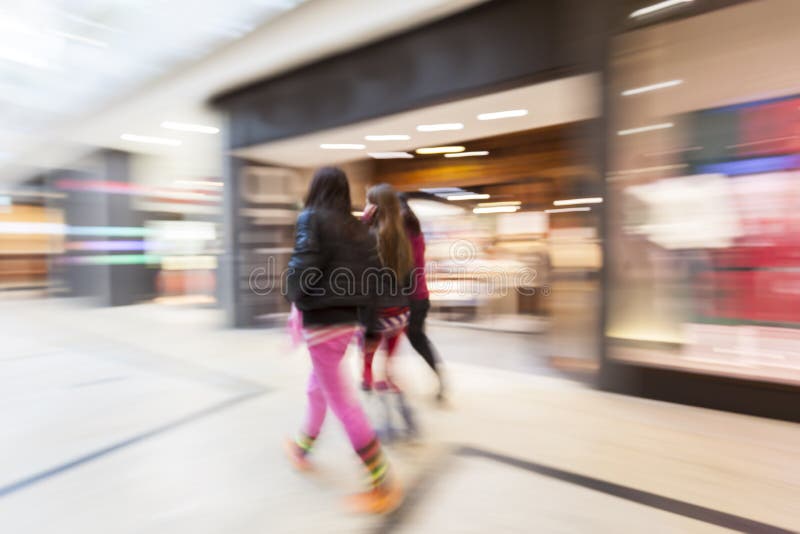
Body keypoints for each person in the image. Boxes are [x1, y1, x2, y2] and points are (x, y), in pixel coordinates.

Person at [283, 167, 403, 514]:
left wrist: (294, 295)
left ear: (316, 188)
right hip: (347, 323)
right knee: (316, 386)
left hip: (321, 324)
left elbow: (302, 268)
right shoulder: (359, 230)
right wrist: (367, 328)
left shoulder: (312, 218)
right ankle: (303, 446)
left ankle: (382, 481)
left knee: (342, 401)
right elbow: (370, 282)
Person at [360, 184, 414, 394]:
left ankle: (367, 375)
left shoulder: (370, 235)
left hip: (376, 311)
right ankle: (387, 376)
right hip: (400, 311)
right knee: (391, 337)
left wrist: (363, 224)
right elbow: (409, 276)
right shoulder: (403, 237)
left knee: (369, 337)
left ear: (374, 207)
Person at [398, 193, 446, 401]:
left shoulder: (403, 233)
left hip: (411, 297)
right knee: (418, 339)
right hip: (420, 296)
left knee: (413, 338)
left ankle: (385, 384)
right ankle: (439, 377)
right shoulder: (415, 231)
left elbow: (404, 267)